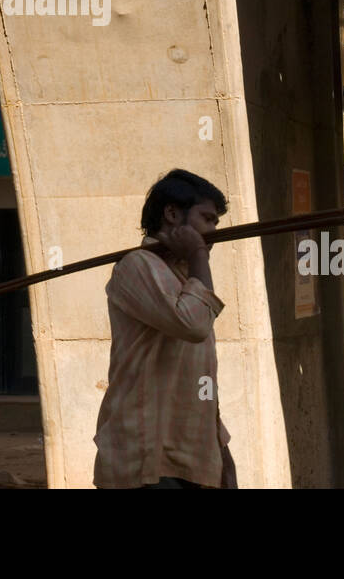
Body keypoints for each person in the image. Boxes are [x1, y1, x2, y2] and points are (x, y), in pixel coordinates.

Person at [92, 168, 237, 489]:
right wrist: (199, 254)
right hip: (145, 458)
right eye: (206, 219)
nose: (213, 232)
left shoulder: (188, 276)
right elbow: (194, 325)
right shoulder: (137, 266)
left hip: (192, 458)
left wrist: (222, 452)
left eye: (215, 223)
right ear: (172, 214)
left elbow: (198, 375)